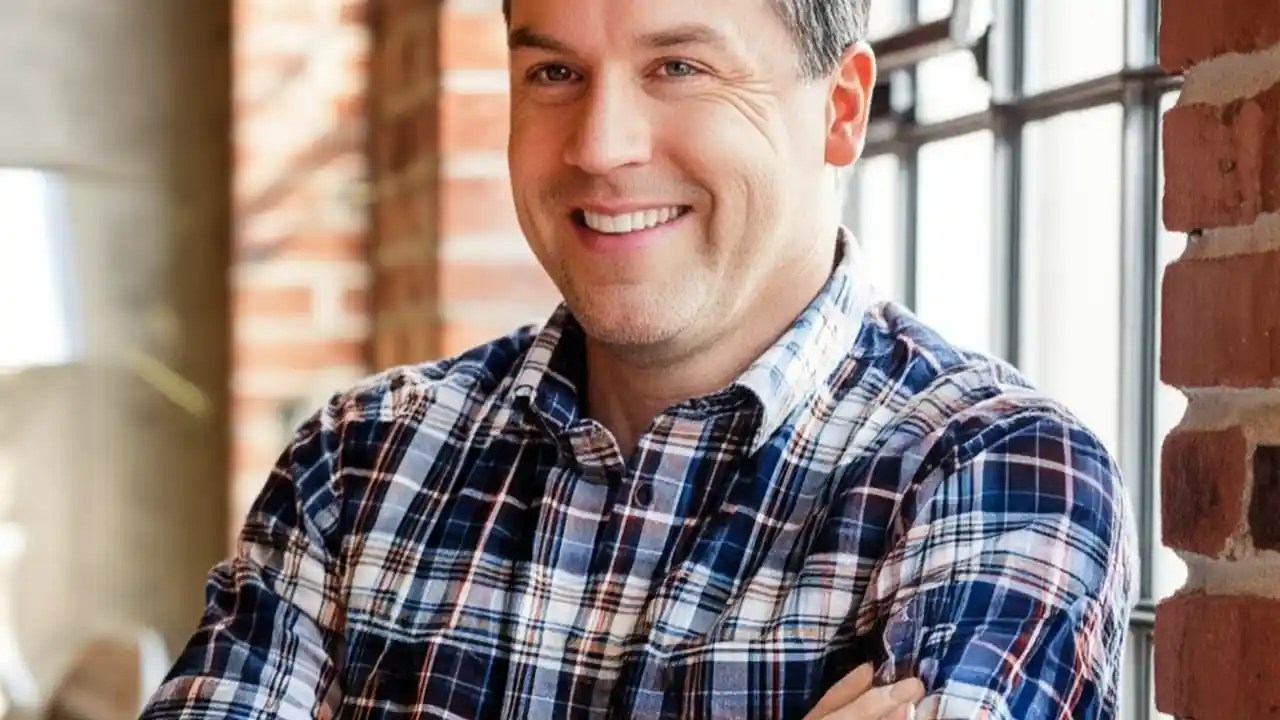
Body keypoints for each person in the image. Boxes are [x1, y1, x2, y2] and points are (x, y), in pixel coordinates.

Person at [141, 0, 1134, 717]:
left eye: (679, 67)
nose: (600, 146)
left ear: (839, 109)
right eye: (554, 73)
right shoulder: (355, 462)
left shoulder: (994, 474)